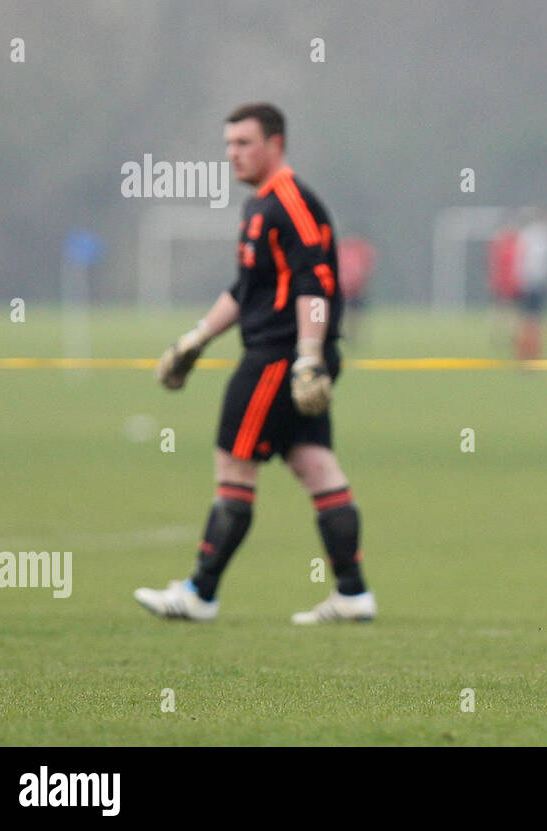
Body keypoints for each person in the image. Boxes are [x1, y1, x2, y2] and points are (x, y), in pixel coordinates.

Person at [134, 103, 374, 624]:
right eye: (228, 145)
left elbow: (316, 286)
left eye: (244, 143)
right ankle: (353, 594)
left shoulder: (290, 202)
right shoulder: (258, 206)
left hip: (280, 356)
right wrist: (193, 342)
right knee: (314, 464)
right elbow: (246, 291)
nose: (233, 154)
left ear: (275, 143)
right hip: (286, 353)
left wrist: (307, 359)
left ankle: (199, 592)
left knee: (234, 464)